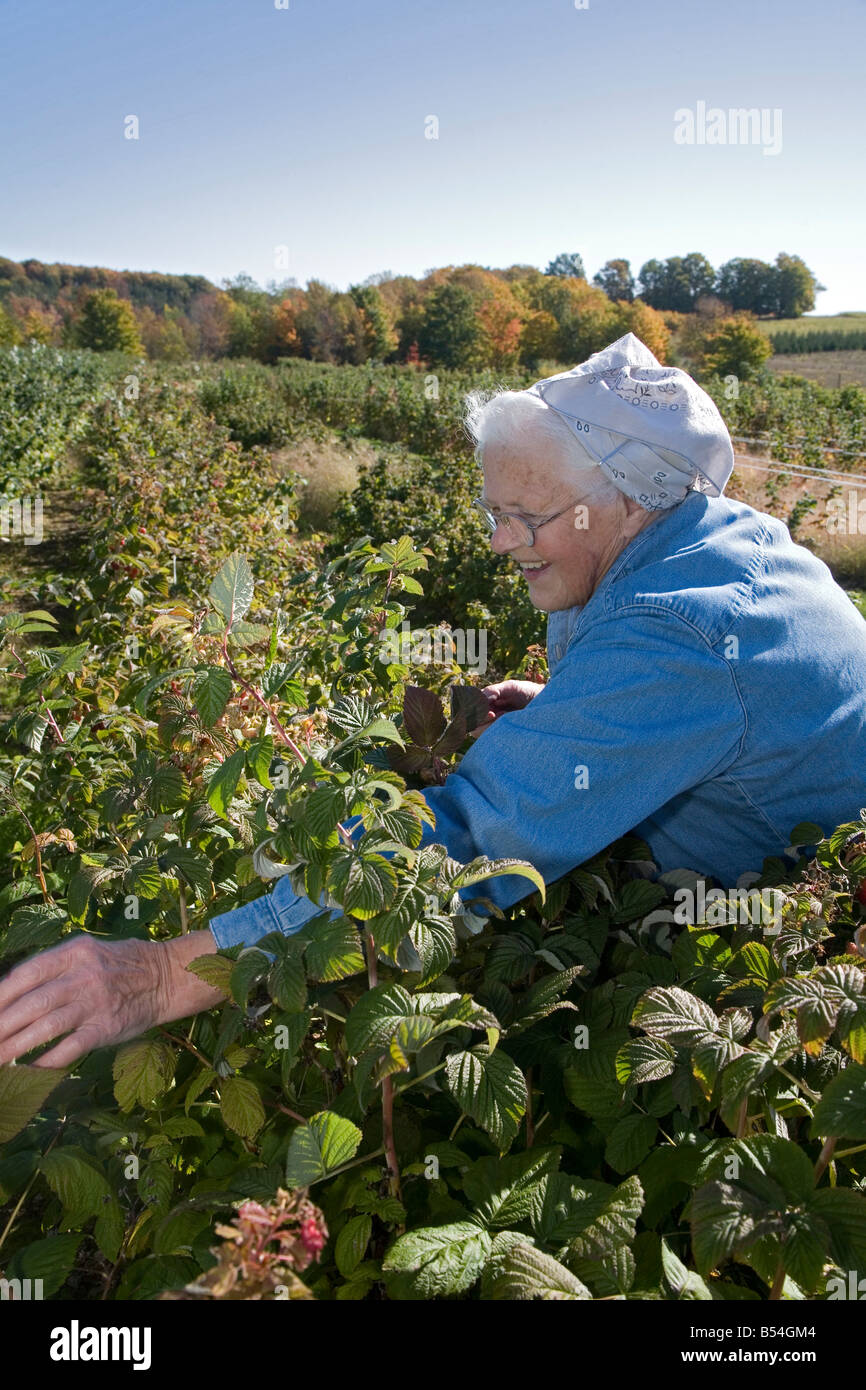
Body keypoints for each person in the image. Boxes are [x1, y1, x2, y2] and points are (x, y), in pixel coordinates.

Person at [3, 332, 866, 1070]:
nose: (500, 543)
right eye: (493, 512)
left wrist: (158, 973)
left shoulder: (677, 631)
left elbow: (466, 845)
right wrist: (571, 709)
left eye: (524, 516)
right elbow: (689, 700)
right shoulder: (702, 543)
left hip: (774, 923)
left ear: (627, 501)